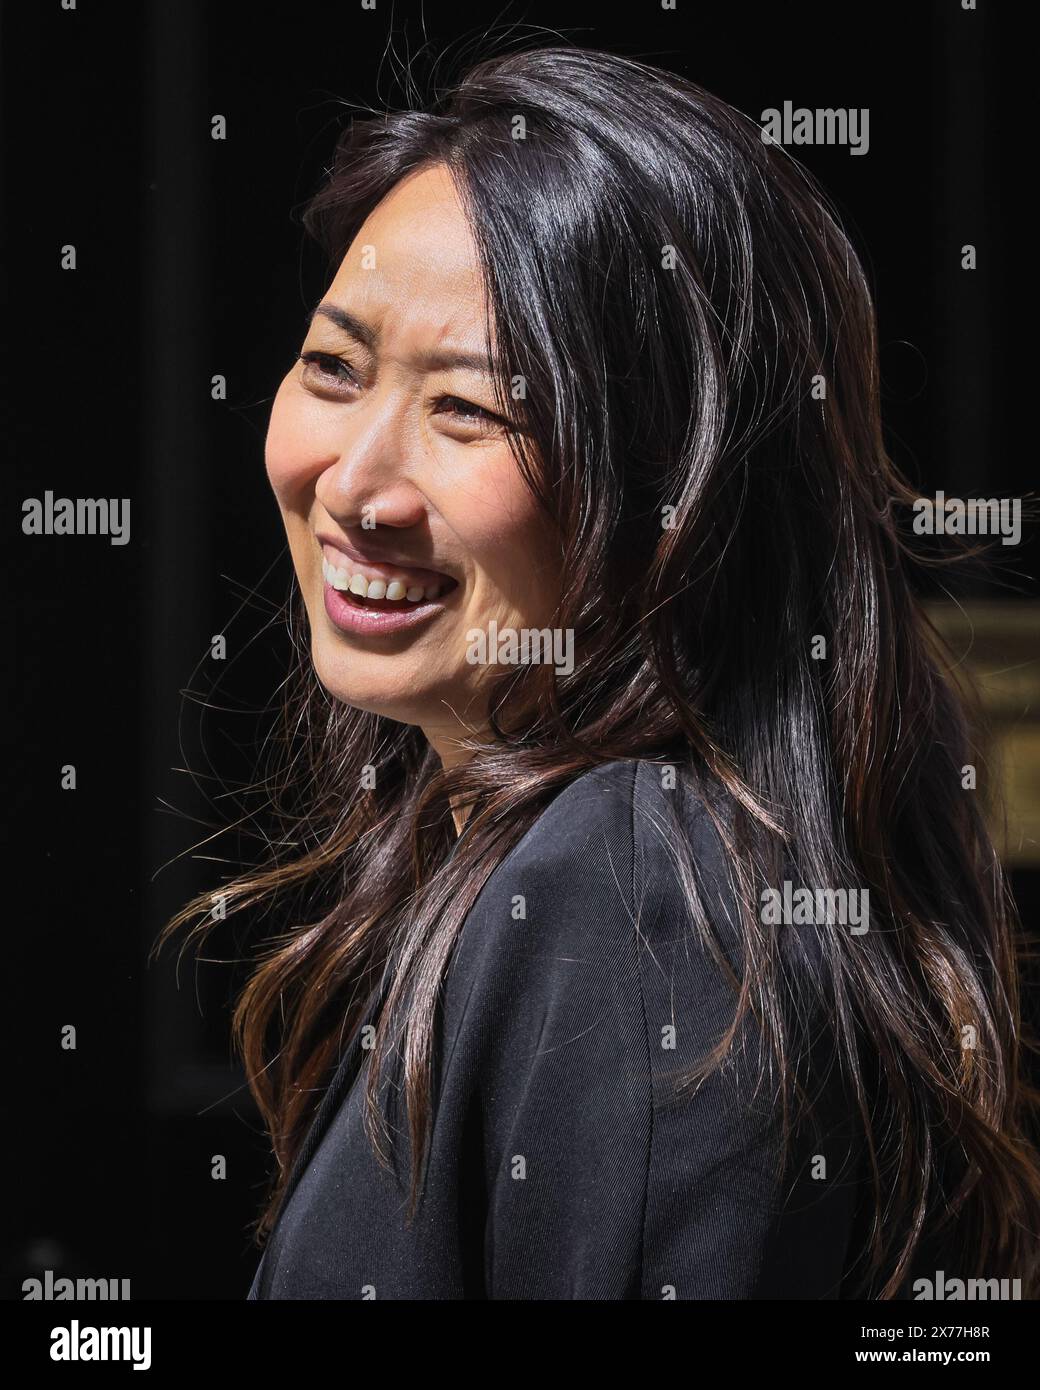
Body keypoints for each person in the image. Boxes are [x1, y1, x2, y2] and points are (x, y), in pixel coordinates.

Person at [159, 43, 1040, 1299]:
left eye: (469, 410)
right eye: (334, 369)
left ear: (673, 490)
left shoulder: (627, 888)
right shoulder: (591, 862)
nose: (353, 484)